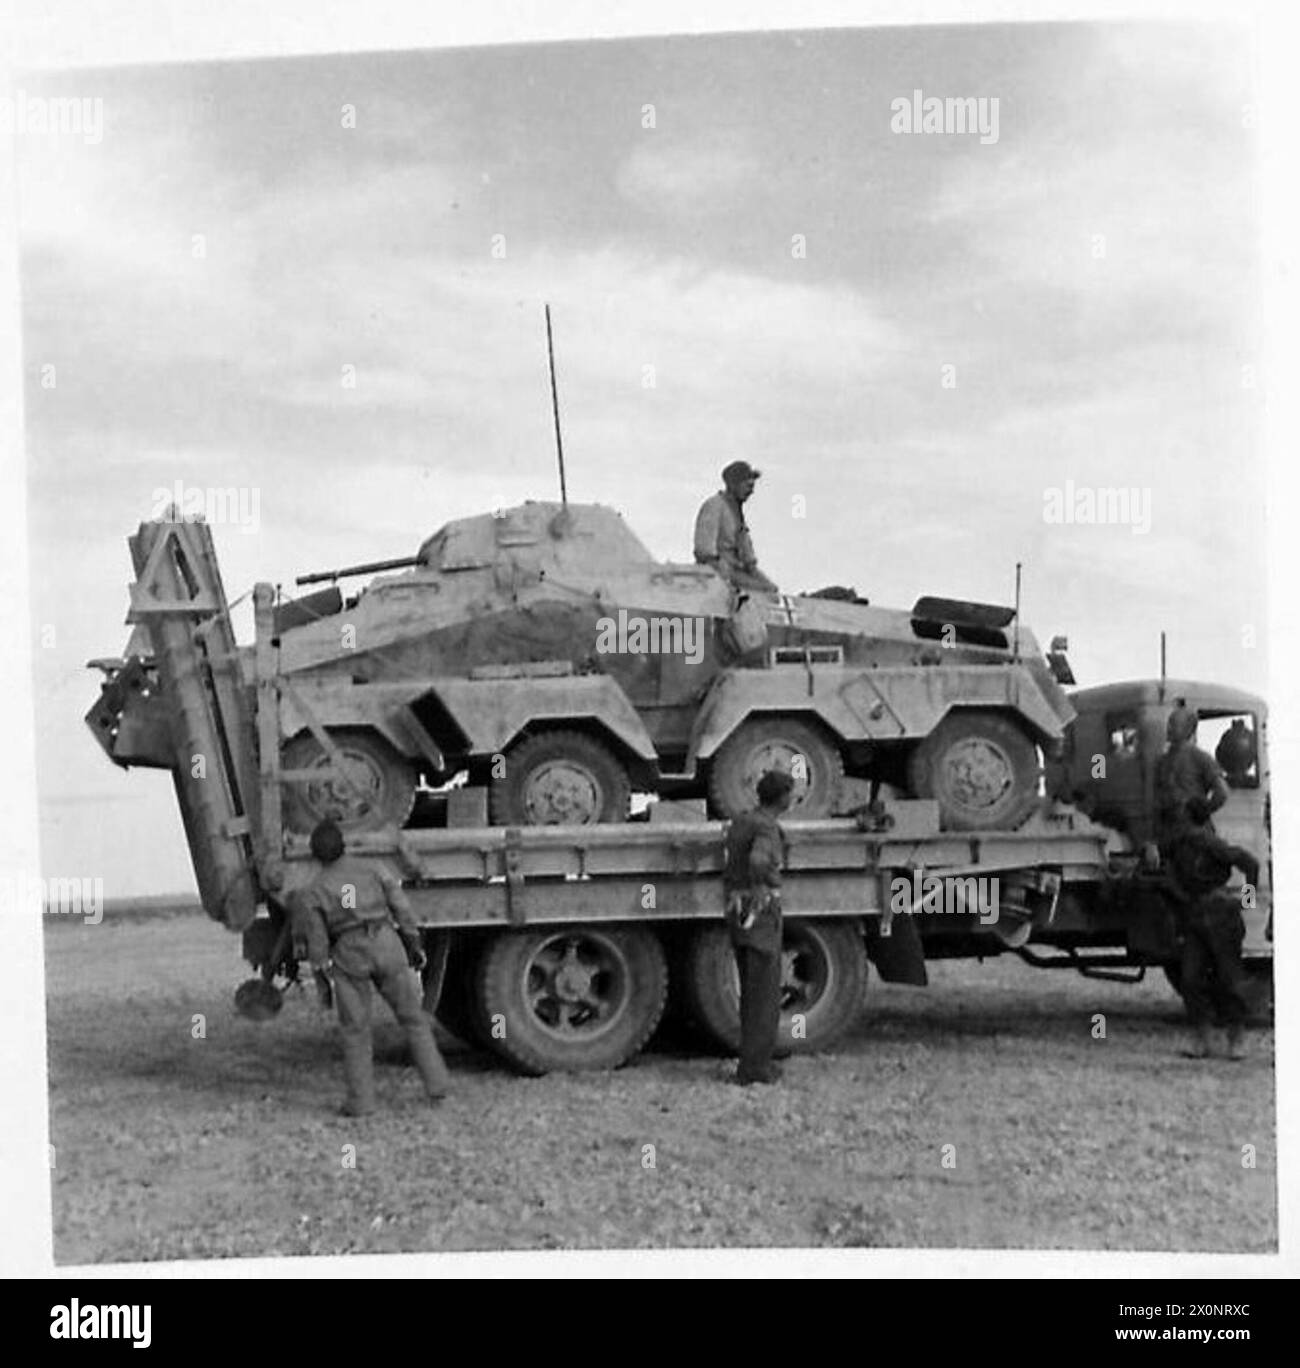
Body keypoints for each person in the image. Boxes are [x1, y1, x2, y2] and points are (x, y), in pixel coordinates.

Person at [289, 820, 451, 1115]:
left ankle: (361, 1102)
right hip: (387, 943)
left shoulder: (313, 891)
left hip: (350, 953)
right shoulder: (373, 868)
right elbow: (401, 906)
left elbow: (317, 940)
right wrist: (413, 942)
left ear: (316, 855)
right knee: (413, 1018)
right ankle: (437, 1084)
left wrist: (322, 975)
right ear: (344, 845)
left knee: (356, 1031)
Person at [1166, 797, 1260, 1061]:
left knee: (1228, 980)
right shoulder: (1182, 843)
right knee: (1190, 979)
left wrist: (1247, 901)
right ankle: (1204, 1039)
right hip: (1197, 917)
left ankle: (1234, 1038)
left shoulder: (1209, 844)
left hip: (1220, 916)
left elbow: (1249, 862)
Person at [722, 769, 794, 1085]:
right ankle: (755, 1068)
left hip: (738, 911)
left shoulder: (743, 820)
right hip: (760, 913)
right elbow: (759, 860)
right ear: (781, 798)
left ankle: (750, 1063)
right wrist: (765, 884)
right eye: (790, 792)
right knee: (764, 995)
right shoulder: (766, 827)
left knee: (751, 992)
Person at [693, 460, 779, 593]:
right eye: (748, 486)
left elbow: (750, 563)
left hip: (736, 576)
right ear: (733, 485)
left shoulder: (738, 516)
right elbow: (705, 554)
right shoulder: (714, 506)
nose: (751, 491)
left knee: (771, 592)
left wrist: (769, 587)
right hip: (715, 578)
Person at [1154, 701, 1228, 846]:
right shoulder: (1162, 761)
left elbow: (1222, 792)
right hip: (1170, 836)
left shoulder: (1200, 758)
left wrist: (1201, 811)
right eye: (1169, 724)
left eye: (1174, 724)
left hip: (1195, 837)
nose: (1168, 728)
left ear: (1188, 729)